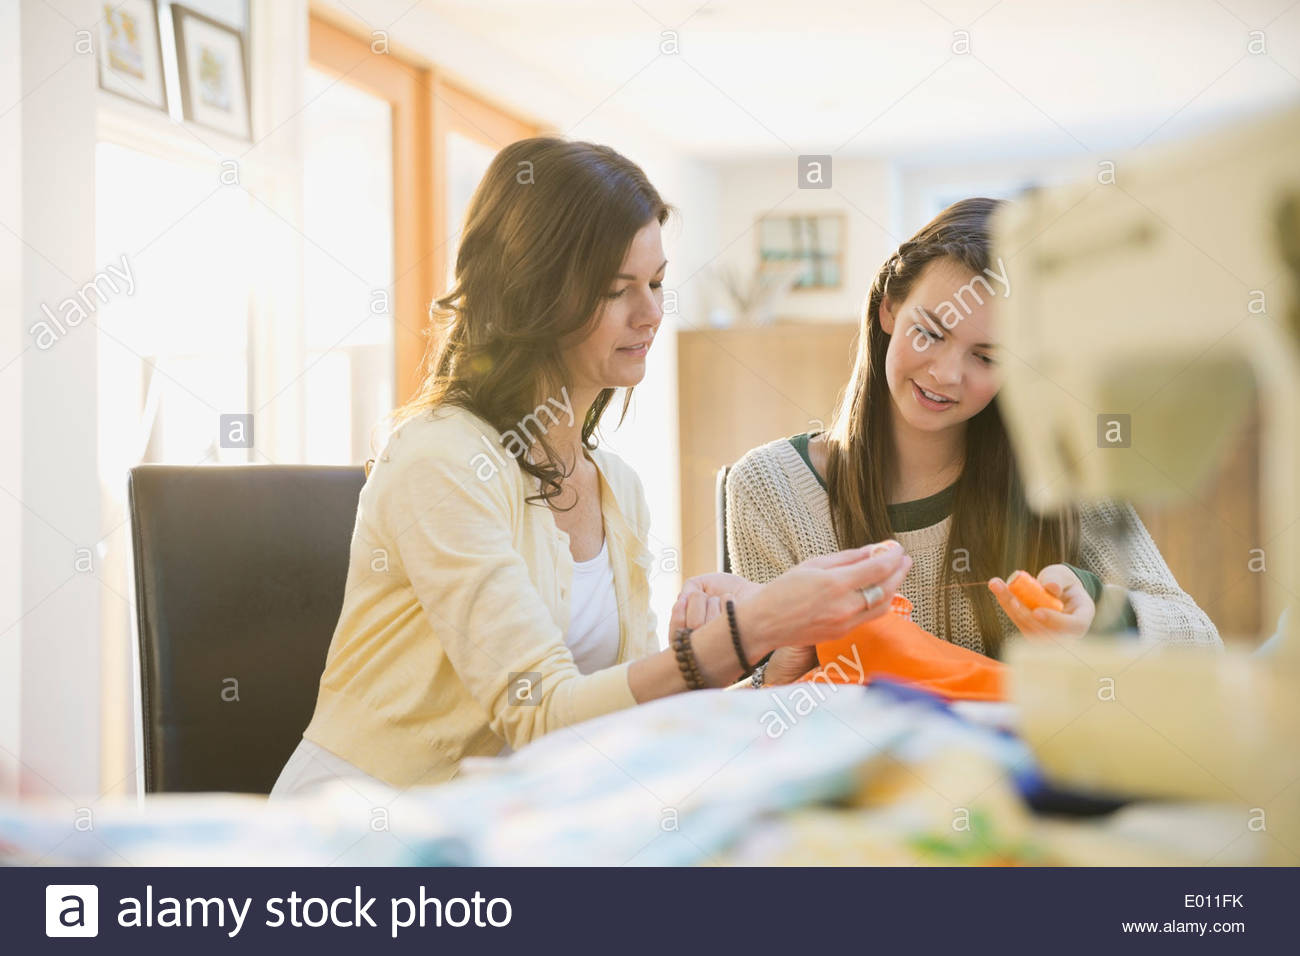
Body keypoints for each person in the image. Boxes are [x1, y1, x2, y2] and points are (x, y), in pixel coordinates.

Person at [271, 137, 911, 796]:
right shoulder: (439, 462)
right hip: (363, 828)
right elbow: (543, 716)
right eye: (616, 290)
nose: (652, 313)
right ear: (531, 295)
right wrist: (754, 628)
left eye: (658, 283)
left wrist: (752, 663)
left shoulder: (616, 489)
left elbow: (610, 738)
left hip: (509, 825)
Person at [724, 198, 1220, 687]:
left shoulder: (1064, 467)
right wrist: (786, 668)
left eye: (986, 357)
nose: (945, 374)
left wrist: (1096, 610)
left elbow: (1201, 643)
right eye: (930, 333)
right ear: (888, 310)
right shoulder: (770, 488)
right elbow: (757, 707)